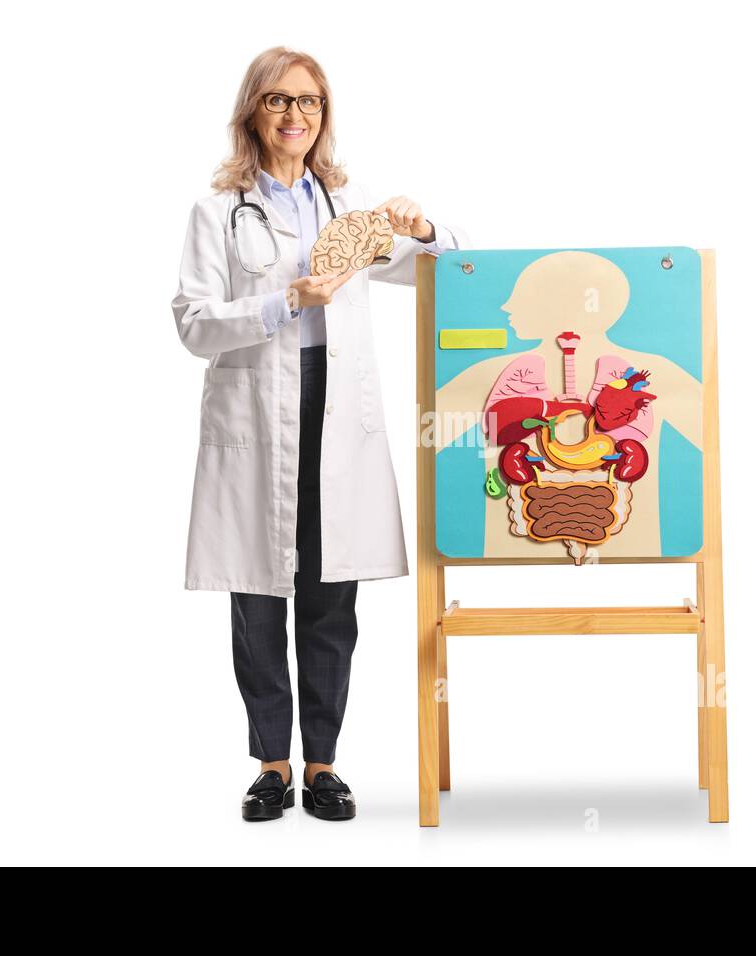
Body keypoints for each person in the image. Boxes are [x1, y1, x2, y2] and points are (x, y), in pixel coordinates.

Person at [170, 46, 467, 821]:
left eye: (308, 102)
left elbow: (448, 265)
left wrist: (423, 223)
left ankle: (324, 766)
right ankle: (272, 765)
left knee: (332, 598)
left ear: (323, 115)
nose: (295, 115)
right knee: (260, 597)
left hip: (339, 418)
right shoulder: (216, 212)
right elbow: (194, 324)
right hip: (255, 419)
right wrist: (282, 304)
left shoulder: (353, 208)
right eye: (278, 101)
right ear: (252, 113)